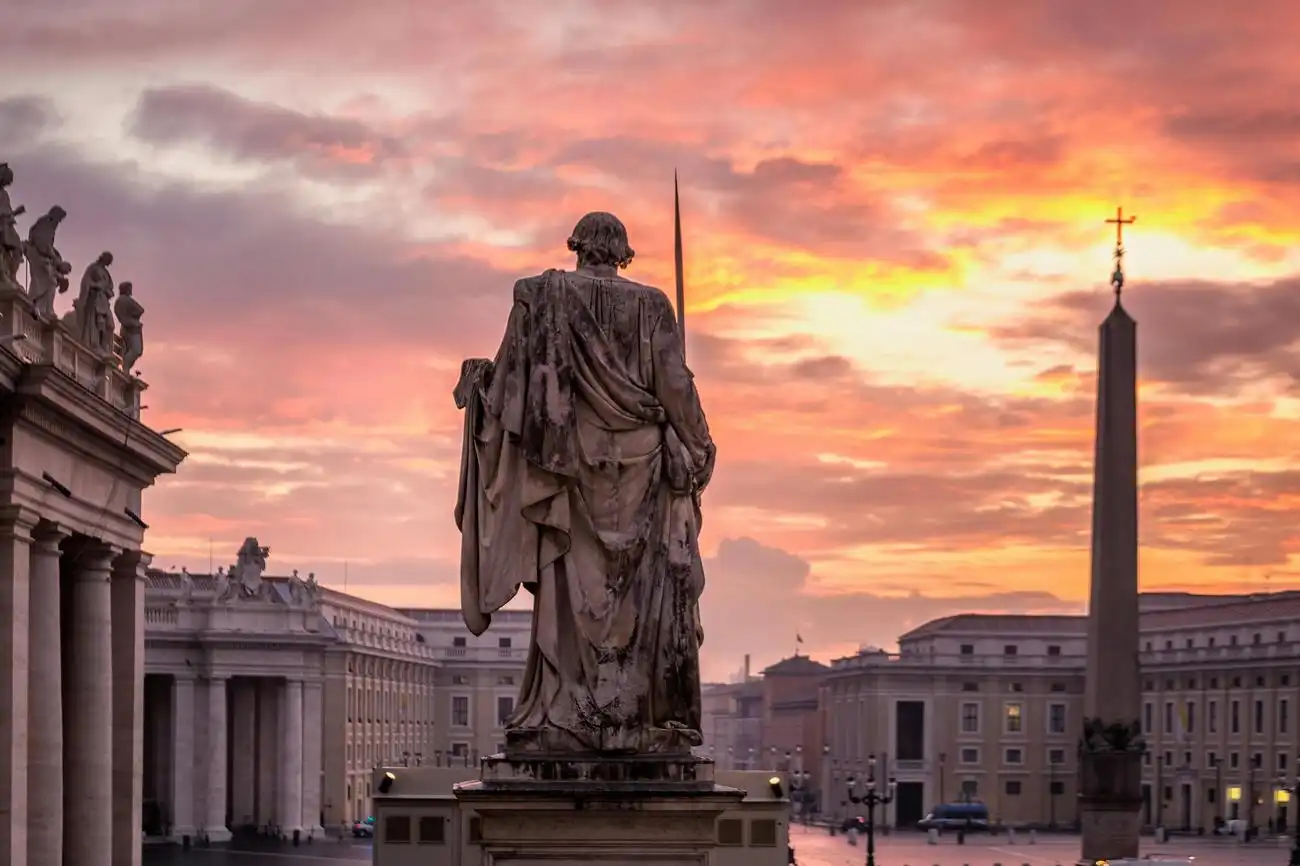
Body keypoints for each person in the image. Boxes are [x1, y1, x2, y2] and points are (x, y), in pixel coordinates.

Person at [455, 211, 715, 754]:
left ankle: (565, 707)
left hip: (567, 470)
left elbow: (508, 388)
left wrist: (479, 382)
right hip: (642, 474)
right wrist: (698, 447)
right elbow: (676, 385)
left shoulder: (539, 296)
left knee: (568, 590)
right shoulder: (652, 305)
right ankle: (632, 712)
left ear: (577, 246)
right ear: (622, 251)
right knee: (637, 596)